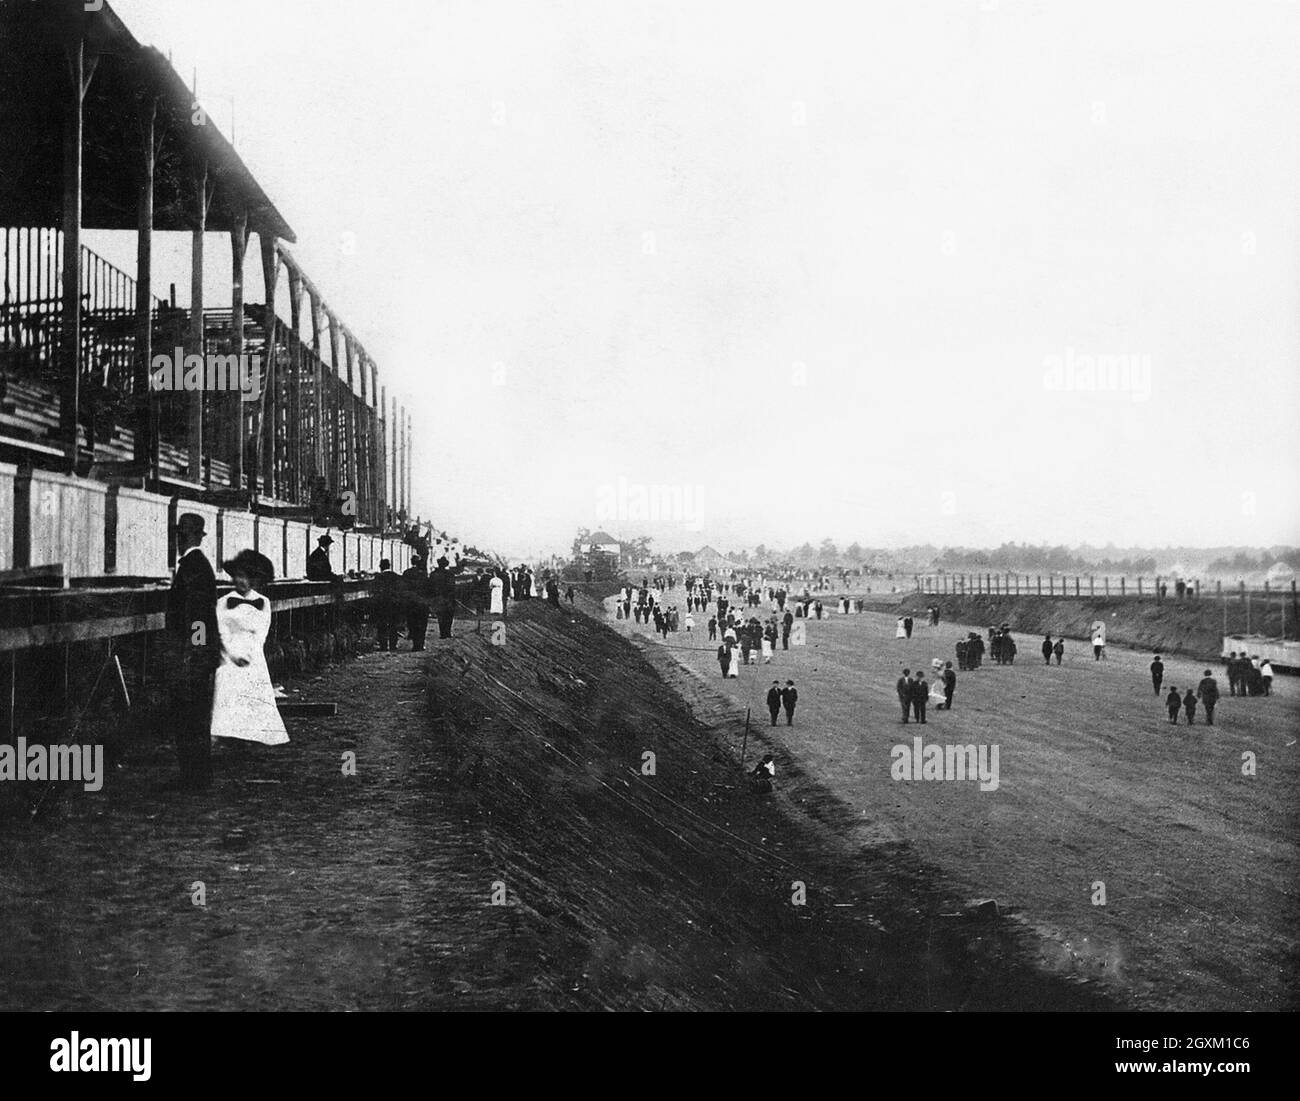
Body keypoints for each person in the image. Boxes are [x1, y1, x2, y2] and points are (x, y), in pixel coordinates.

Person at [165, 513, 220, 790]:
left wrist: (191, 654)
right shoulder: (197, 565)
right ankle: (194, 776)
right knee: (193, 716)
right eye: (179, 536)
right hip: (196, 656)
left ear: (194, 537)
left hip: (193, 658)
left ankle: (194, 778)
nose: (179, 541)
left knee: (191, 717)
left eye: (182, 536)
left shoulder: (193, 566)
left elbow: (197, 618)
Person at [212, 550, 289, 747]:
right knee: (227, 683)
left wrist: (249, 654)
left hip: (253, 652)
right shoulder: (223, 602)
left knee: (253, 687)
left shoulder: (262, 602)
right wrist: (233, 654)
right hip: (229, 652)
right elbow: (221, 631)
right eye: (237, 576)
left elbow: (262, 632)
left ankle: (251, 733)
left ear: (253, 580)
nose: (240, 581)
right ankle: (227, 733)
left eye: (245, 577)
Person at [372, 559, 402, 651]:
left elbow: (374, 591)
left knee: (382, 625)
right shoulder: (396, 576)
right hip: (394, 604)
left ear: (381, 566)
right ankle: (393, 645)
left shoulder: (378, 577)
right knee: (393, 625)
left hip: (382, 604)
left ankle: (383, 646)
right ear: (389, 566)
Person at [402, 556, 430, 651]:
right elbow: (428, 589)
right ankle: (420, 645)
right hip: (421, 603)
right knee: (422, 624)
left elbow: (403, 588)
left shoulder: (406, 573)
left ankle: (415, 645)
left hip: (410, 603)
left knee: (412, 623)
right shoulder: (423, 574)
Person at [429, 556, 459, 640]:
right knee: (449, 615)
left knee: (441, 616)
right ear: (445, 565)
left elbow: (430, 587)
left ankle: (442, 633)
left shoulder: (433, 574)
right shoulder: (450, 574)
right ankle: (447, 632)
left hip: (438, 598)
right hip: (448, 598)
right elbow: (453, 587)